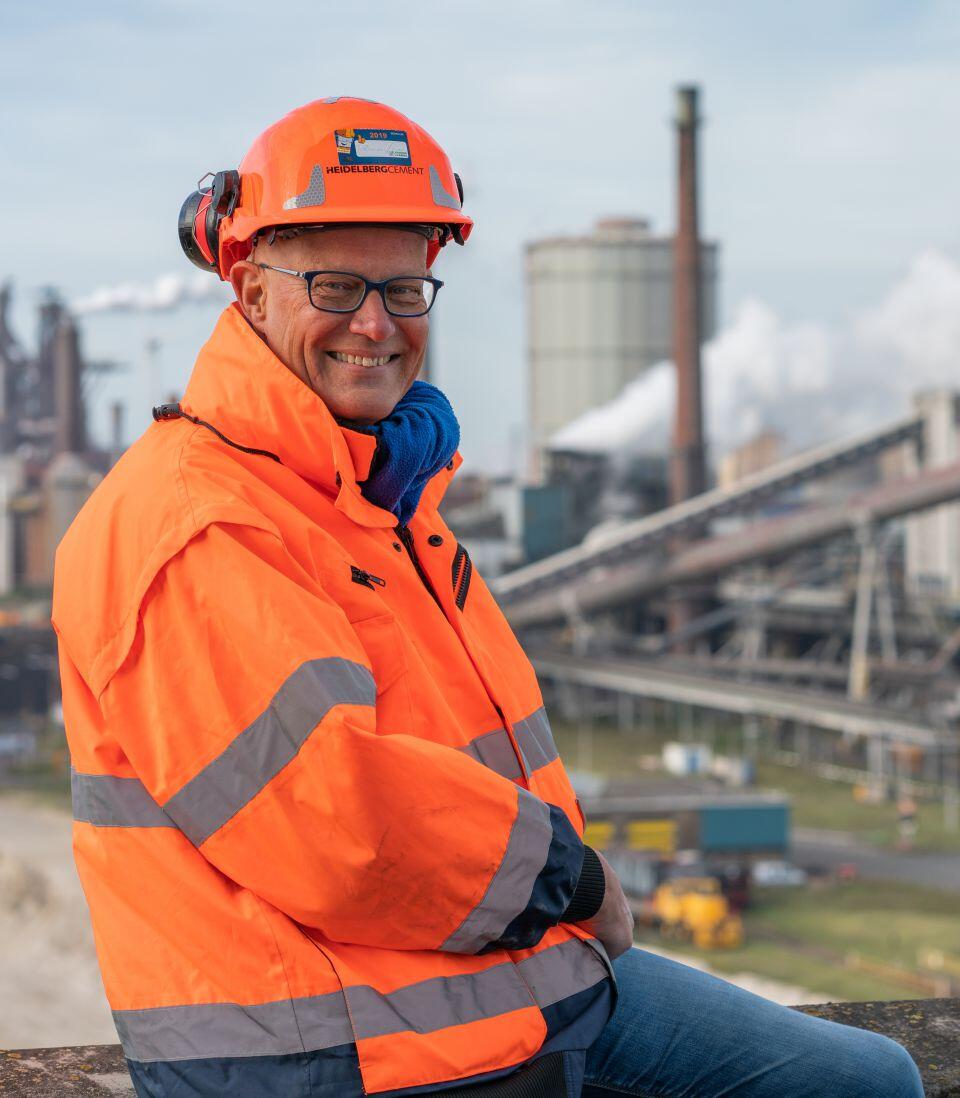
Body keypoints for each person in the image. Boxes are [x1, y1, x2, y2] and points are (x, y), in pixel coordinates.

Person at [53, 98, 924, 1098]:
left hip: (505, 975)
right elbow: (334, 826)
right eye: (335, 286)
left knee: (871, 1078)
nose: (374, 323)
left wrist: (558, 905)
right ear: (251, 291)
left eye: (403, 289)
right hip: (338, 1049)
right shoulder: (198, 522)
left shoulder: (380, 504)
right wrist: (574, 879)